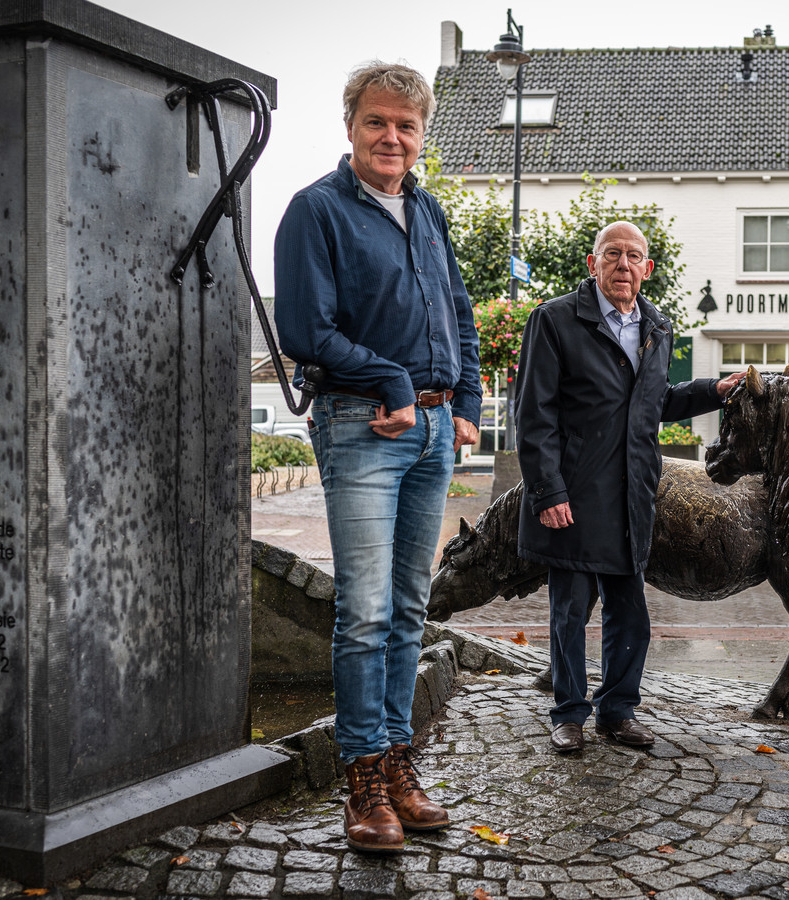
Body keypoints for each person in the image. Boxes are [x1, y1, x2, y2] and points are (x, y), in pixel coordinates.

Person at [273, 61, 481, 853]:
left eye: (407, 125)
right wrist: (391, 377)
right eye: (377, 122)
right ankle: (361, 778)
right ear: (351, 126)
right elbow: (304, 330)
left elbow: (458, 313)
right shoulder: (316, 211)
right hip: (363, 424)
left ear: (421, 134)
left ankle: (397, 763)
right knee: (362, 614)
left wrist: (463, 403)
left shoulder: (426, 210)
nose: (392, 137)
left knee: (406, 611)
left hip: (429, 434)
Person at [515, 221, 745, 753]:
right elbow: (534, 415)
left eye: (634, 256)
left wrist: (715, 389)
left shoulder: (656, 328)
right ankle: (569, 713)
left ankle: (617, 711)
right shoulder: (554, 320)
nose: (623, 264)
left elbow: (656, 401)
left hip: (631, 494)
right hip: (574, 493)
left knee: (630, 616)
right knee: (571, 613)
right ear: (593, 264)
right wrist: (548, 492)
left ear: (647, 269)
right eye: (612, 254)